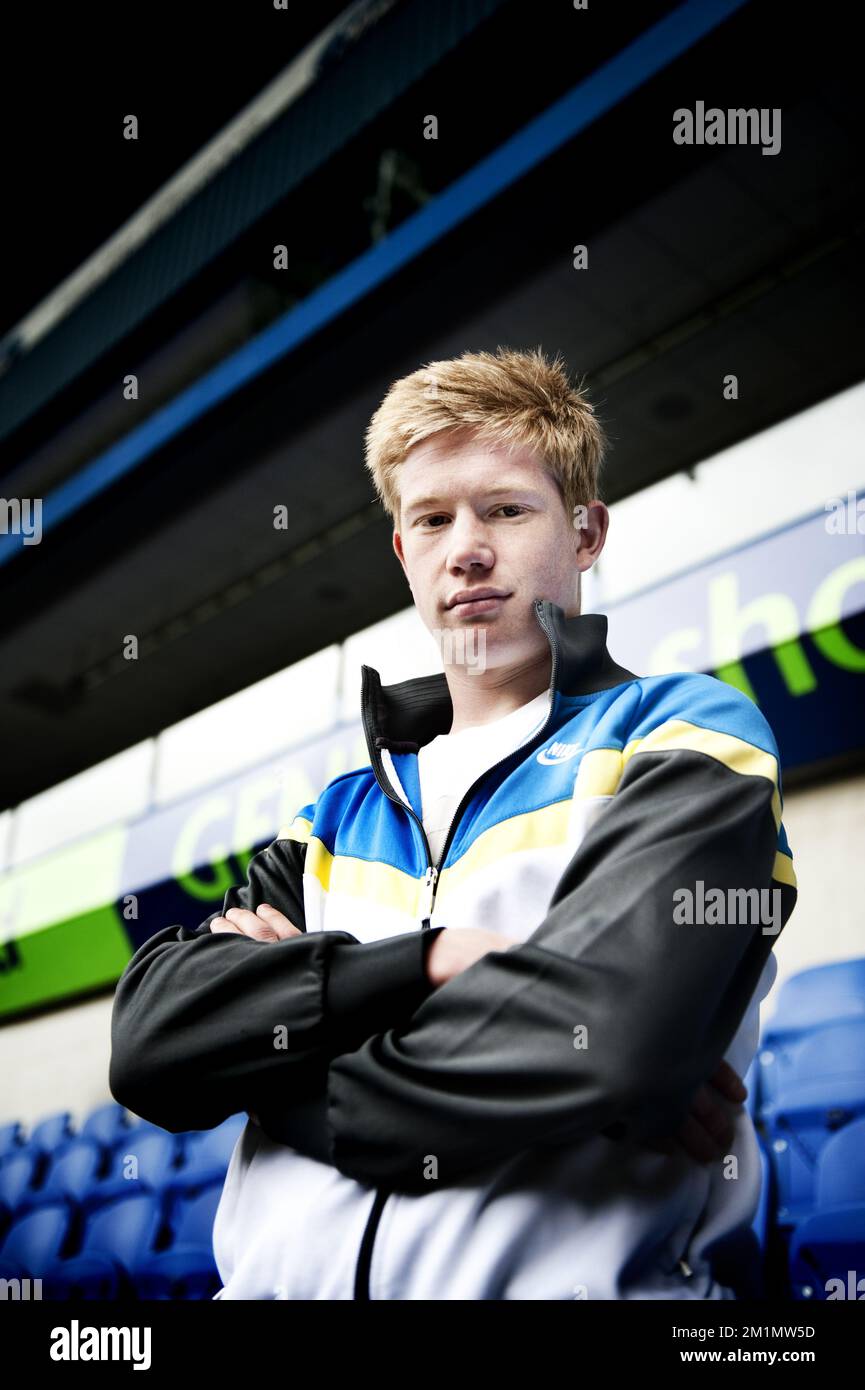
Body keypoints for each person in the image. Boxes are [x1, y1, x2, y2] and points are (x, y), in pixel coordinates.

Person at [109, 346, 798, 1300]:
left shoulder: (686, 734)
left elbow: (607, 1041)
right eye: (431, 518)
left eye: (506, 509)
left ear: (587, 531)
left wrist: (273, 1075)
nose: (464, 548)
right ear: (403, 552)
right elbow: (149, 1046)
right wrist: (429, 962)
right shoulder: (334, 818)